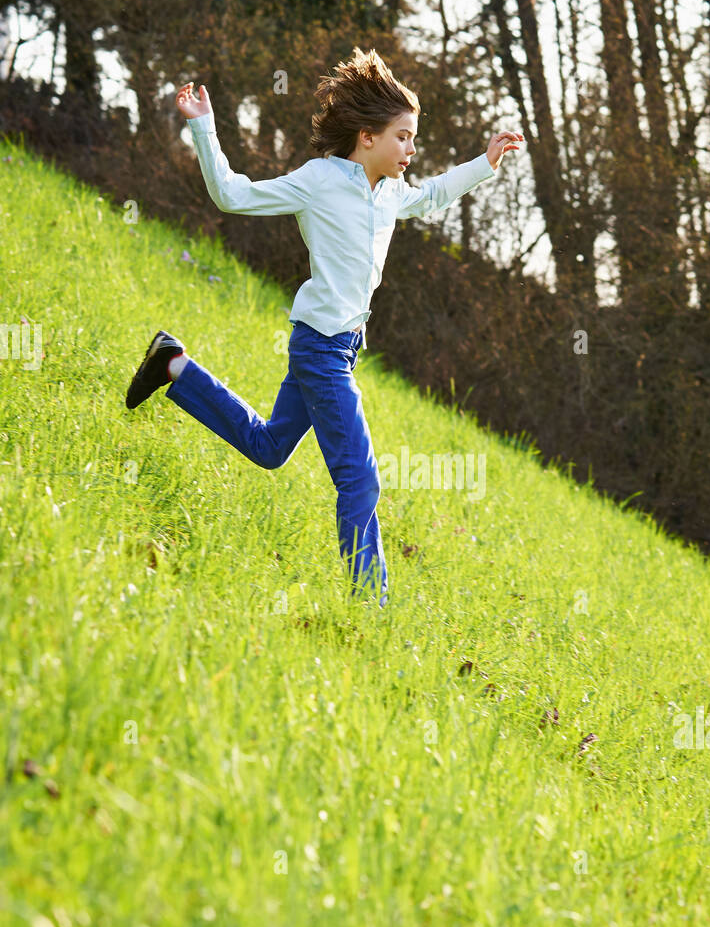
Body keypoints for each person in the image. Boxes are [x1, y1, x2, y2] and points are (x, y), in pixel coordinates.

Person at [125, 47, 524, 609]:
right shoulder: (319, 181)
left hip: (341, 348)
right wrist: (204, 128)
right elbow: (233, 195)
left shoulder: (388, 193)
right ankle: (370, 607)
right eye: (403, 137)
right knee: (361, 481)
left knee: (268, 447)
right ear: (367, 137)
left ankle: (174, 366)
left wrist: (485, 163)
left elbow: (431, 196)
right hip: (321, 351)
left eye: (413, 138)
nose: (411, 149)